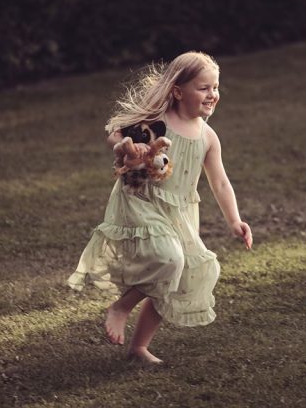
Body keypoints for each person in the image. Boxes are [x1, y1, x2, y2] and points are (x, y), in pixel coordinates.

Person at [68, 51, 253, 364]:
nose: (212, 95)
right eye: (204, 88)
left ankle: (139, 348)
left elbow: (220, 183)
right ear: (179, 91)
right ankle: (121, 307)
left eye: (216, 87)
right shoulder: (158, 123)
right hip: (142, 200)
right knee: (169, 260)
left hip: (179, 212)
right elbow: (116, 133)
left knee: (176, 275)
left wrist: (235, 221)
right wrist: (128, 148)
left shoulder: (208, 137)